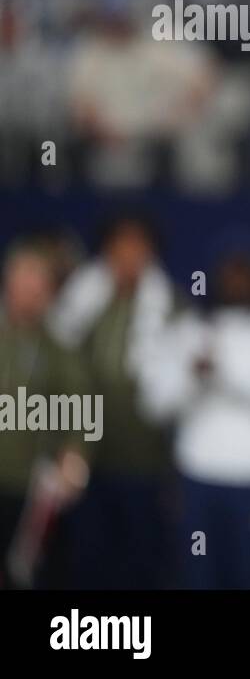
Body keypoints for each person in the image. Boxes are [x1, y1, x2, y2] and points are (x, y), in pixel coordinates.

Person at [139, 252, 250, 589]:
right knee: (198, 576)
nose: (235, 281)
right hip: (199, 482)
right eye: (228, 273)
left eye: (244, 273)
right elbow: (154, 403)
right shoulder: (189, 330)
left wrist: (223, 370)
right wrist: (193, 375)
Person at [49, 213, 178, 589]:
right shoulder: (80, 303)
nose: (129, 254)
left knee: (141, 558)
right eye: (120, 244)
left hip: (145, 460)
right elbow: (60, 367)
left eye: (139, 246)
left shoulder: (169, 305)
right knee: (89, 557)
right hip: (85, 457)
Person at [0, 243, 88, 589]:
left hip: (33, 489)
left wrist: (75, 452)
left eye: (38, 288)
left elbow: (80, 406)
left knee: (27, 574)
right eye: (21, 285)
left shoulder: (60, 346)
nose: (28, 296)